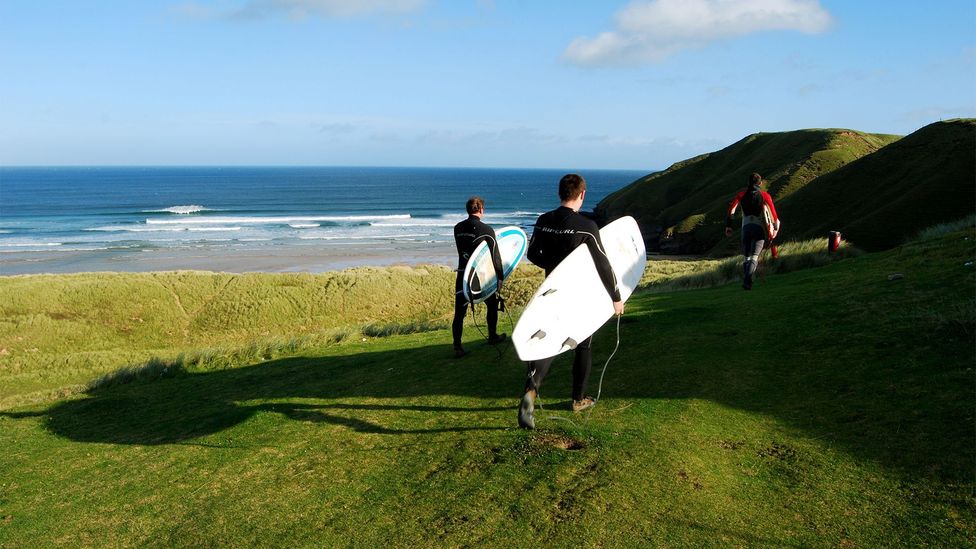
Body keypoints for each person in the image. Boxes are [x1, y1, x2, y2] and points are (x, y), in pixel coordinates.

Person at [518, 174, 624, 429]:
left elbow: (532, 253)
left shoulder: (543, 221)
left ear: (560, 193)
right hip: (577, 297)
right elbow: (603, 264)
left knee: (546, 343)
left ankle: (530, 392)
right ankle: (577, 399)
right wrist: (616, 298)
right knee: (583, 345)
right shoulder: (586, 226)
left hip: (550, 293)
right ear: (582, 195)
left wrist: (553, 270)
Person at [452, 196, 506, 358]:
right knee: (491, 303)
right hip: (481, 276)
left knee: (459, 312)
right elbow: (495, 256)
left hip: (462, 274)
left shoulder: (458, 228)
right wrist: (500, 277)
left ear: (468, 210)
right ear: (481, 209)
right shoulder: (487, 230)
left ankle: (457, 346)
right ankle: (492, 336)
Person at [725, 172, 781, 290]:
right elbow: (774, 215)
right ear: (760, 183)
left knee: (746, 257)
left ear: (748, 183)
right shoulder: (765, 195)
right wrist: (774, 228)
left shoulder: (741, 195)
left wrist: (728, 226)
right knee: (754, 257)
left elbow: (731, 211)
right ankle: (747, 281)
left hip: (745, 228)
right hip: (757, 227)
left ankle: (747, 281)